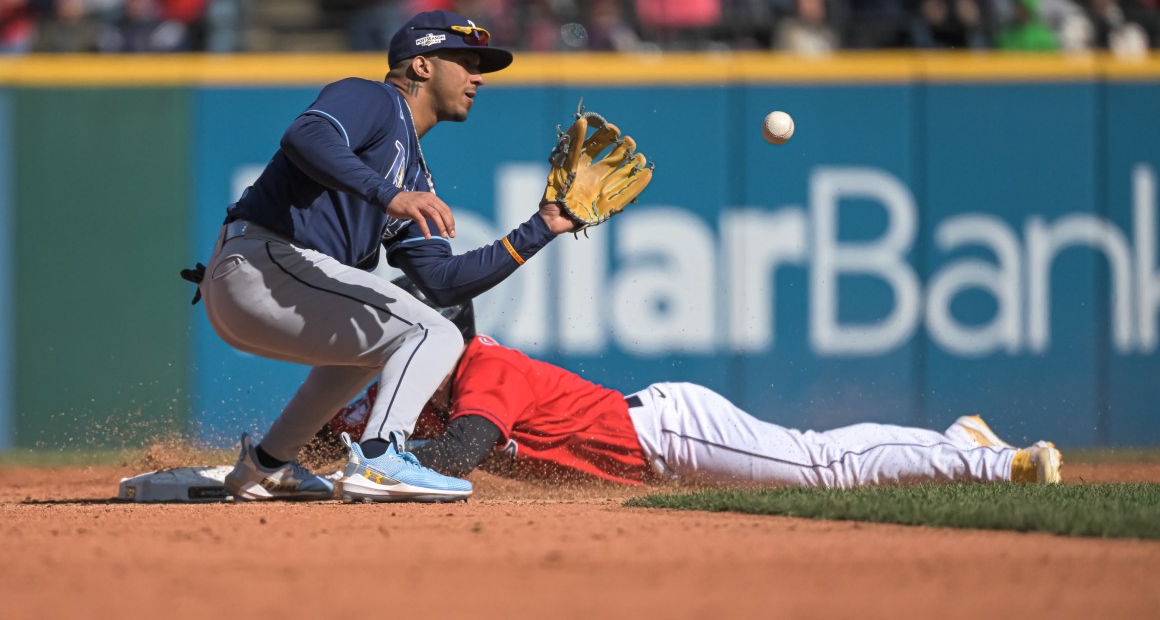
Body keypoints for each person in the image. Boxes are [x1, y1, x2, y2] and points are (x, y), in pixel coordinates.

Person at [186, 9, 581, 503]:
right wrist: (386, 195)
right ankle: (379, 458)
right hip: (262, 263)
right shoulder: (373, 97)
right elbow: (305, 137)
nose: (478, 76)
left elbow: (441, 282)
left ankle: (266, 465)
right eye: (464, 60)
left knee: (390, 338)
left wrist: (540, 229)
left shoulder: (415, 175)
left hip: (267, 282)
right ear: (421, 66)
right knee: (428, 332)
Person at [319, 278, 1064, 489]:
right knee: (817, 463)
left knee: (821, 468)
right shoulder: (422, 390)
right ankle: (966, 449)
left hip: (668, 432)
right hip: (651, 449)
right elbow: (336, 431)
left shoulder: (488, 367)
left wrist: (364, 457)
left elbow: (458, 456)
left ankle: (988, 457)